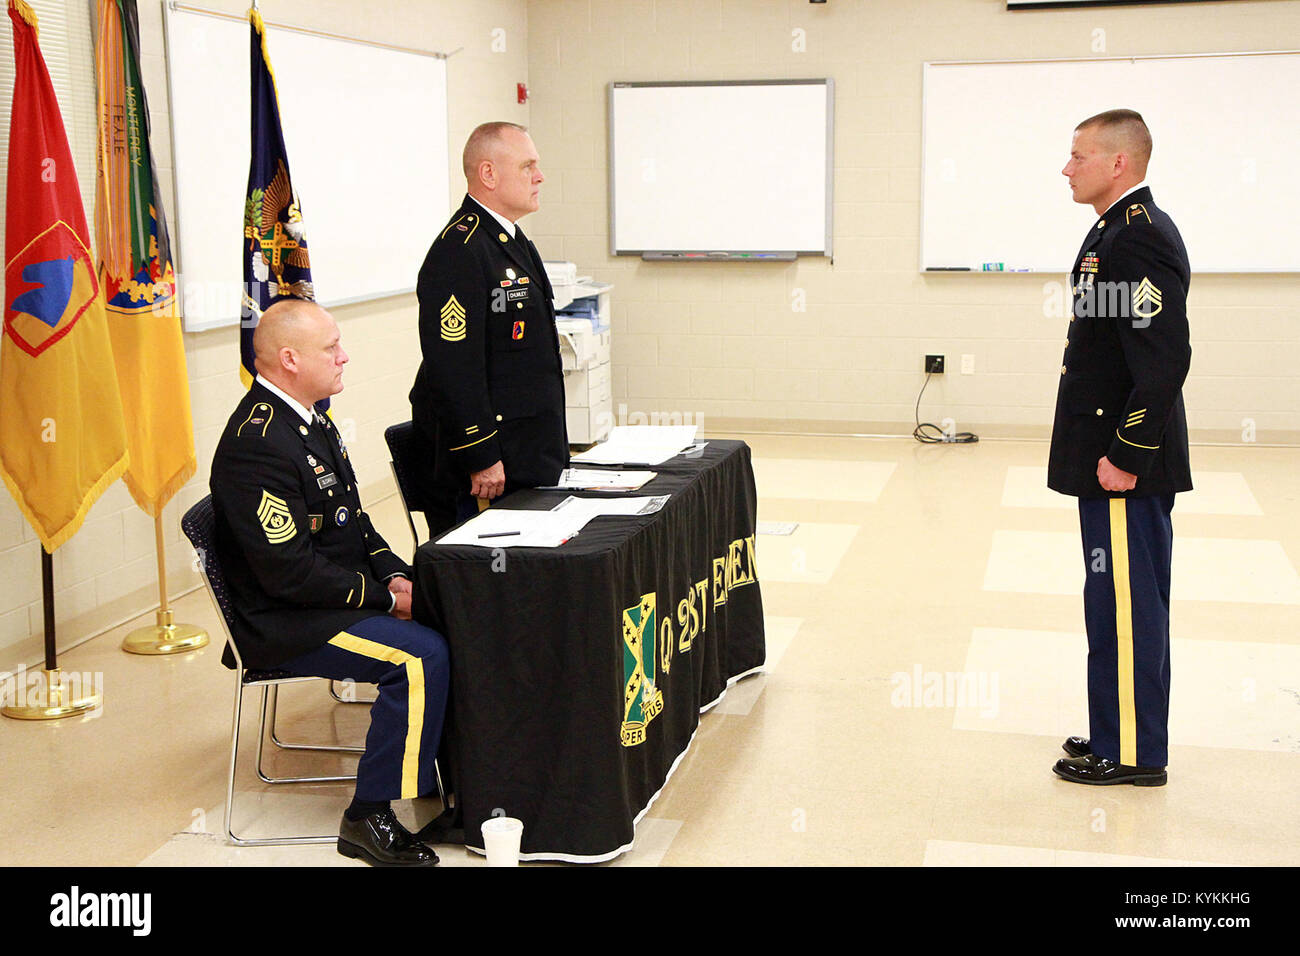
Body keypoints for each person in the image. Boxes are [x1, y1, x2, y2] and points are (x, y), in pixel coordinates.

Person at [210, 298, 450, 865]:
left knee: (451, 608)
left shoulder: (311, 420)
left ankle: (448, 773)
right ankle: (368, 816)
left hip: (325, 598)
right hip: (285, 621)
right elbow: (287, 572)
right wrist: (385, 597)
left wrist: (394, 572)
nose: (345, 356)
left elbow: (355, 523)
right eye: (331, 348)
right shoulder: (258, 443)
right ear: (289, 360)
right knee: (419, 656)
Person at [1049, 109, 1192, 787]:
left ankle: (1132, 752)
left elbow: (1164, 359)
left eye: (1079, 157)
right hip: (1106, 449)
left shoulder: (1140, 238)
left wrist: (1127, 455)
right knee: (1114, 600)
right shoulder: (1113, 229)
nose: (1067, 168)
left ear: (1118, 164)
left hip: (1120, 458)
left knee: (1127, 607)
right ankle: (1117, 727)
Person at [409, 121, 568, 536]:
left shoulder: (511, 241)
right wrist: (479, 452)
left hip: (527, 455)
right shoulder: (460, 251)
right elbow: (452, 365)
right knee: (488, 584)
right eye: (528, 165)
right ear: (488, 174)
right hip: (489, 468)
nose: (540, 176)